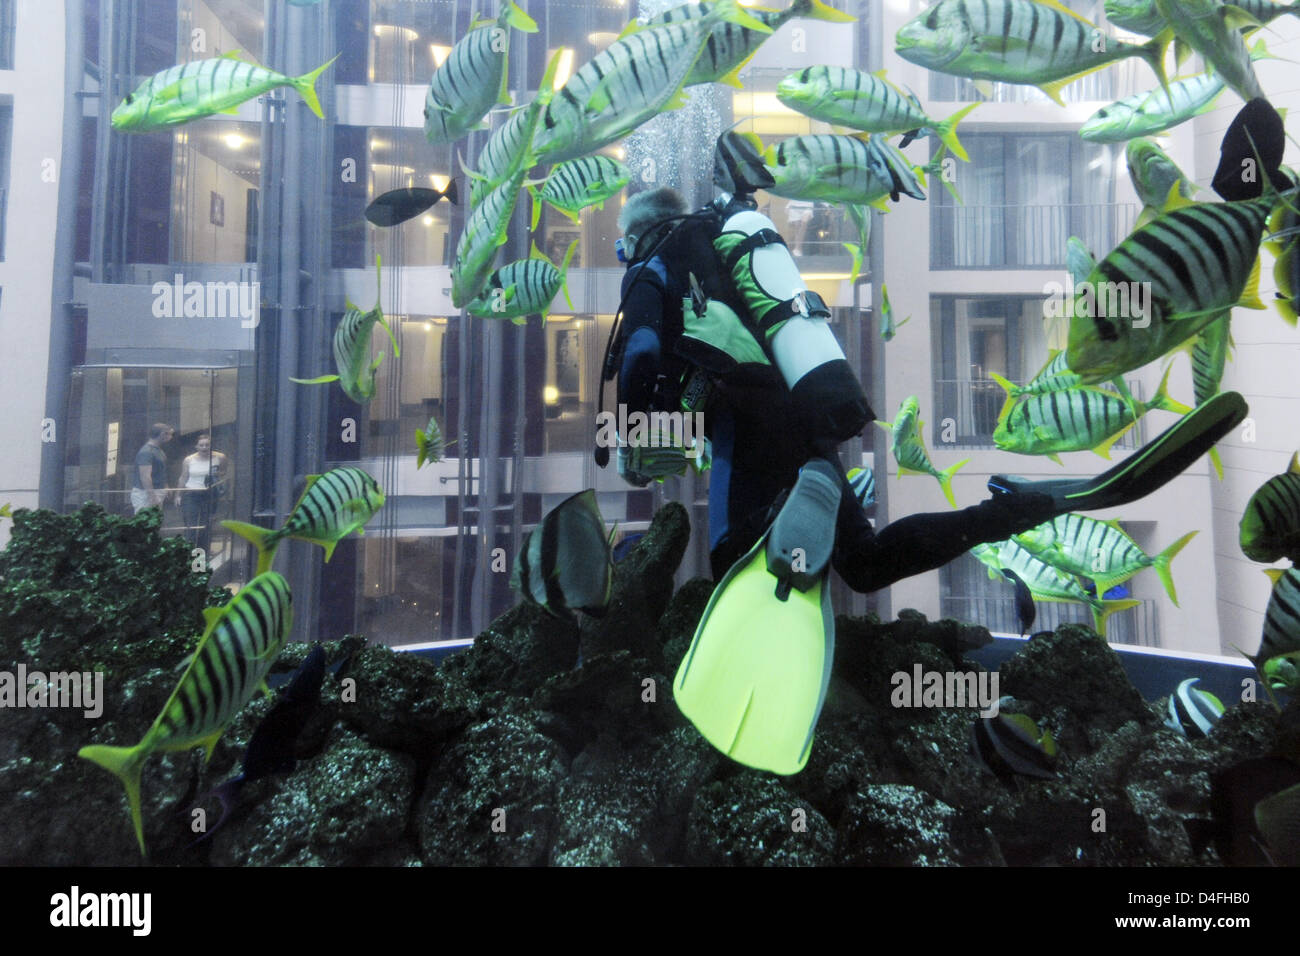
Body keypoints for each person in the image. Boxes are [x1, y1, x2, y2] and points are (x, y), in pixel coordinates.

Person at [611, 183, 1242, 774]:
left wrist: (641, 422)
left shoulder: (655, 266)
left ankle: (783, 512)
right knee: (865, 563)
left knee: (731, 557)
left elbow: (639, 354)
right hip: (807, 412)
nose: (620, 258)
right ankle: (1017, 509)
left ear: (639, 236)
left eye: (620, 246)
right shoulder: (728, 251)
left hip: (748, 432)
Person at [175, 434, 229, 552]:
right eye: (201, 445)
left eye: (207, 445)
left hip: (209, 494)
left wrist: (214, 476)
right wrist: (178, 495)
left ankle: (203, 552)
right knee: (191, 524)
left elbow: (223, 471)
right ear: (196, 446)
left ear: (211, 445)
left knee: (206, 524)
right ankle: (188, 551)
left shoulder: (220, 457)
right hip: (191, 494)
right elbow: (183, 477)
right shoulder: (189, 460)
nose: (204, 447)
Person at [132, 423, 174, 515]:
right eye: (170, 434)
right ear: (163, 434)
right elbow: (145, 477)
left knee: (154, 521)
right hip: (145, 494)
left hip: (157, 490)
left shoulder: (158, 450)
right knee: (144, 522)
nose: (171, 437)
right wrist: (152, 496)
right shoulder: (146, 452)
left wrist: (165, 486)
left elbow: (161, 470)